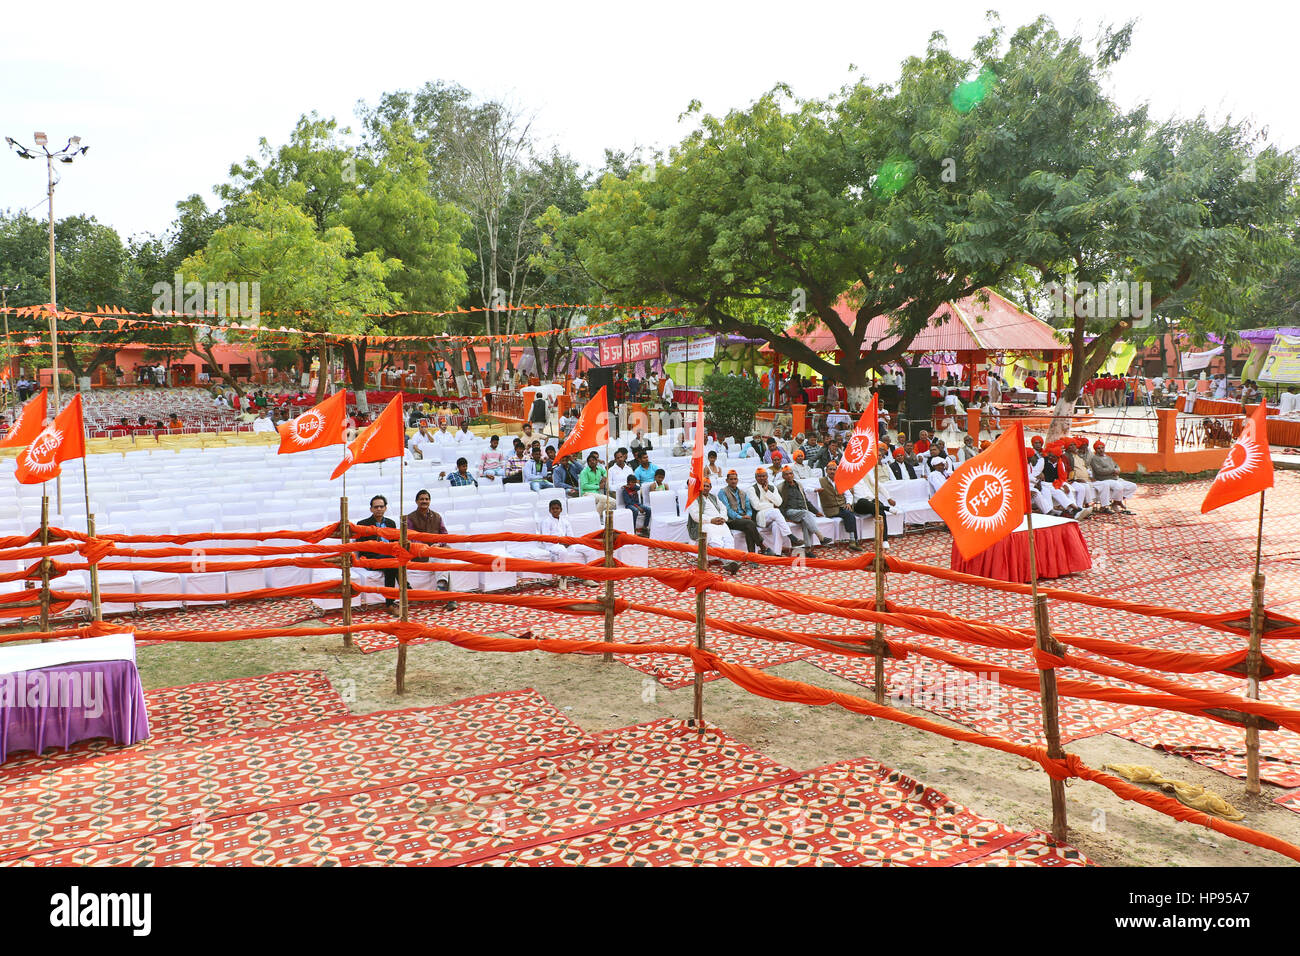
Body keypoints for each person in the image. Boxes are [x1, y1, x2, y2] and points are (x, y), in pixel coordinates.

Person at [405, 489, 456, 611]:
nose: (424, 501)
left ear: (430, 501)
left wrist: (438, 544)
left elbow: (444, 535)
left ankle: (442, 585)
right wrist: (426, 547)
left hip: (436, 551)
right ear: (416, 501)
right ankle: (450, 597)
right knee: (442, 558)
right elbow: (410, 538)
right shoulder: (410, 518)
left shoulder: (437, 516)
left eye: (426, 499)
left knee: (443, 555)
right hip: (419, 554)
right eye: (421, 499)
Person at [538, 499, 598, 590]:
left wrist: (567, 542)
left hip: (568, 544)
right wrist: (561, 543)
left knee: (591, 550)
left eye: (557, 508)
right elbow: (546, 539)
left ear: (561, 510)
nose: (555, 510)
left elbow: (571, 536)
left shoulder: (565, 521)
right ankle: (563, 578)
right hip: (553, 545)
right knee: (563, 552)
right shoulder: (546, 521)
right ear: (549, 510)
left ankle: (588, 577)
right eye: (553, 508)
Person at [356, 495, 401, 617]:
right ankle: (392, 602)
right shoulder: (362, 524)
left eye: (381, 506)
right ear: (371, 509)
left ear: (386, 508)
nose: (379, 509)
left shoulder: (391, 523)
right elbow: (361, 547)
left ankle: (392, 602)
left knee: (392, 563)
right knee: (392, 563)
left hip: (390, 557)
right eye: (376, 507)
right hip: (370, 558)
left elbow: (395, 543)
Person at [688, 478, 740, 574]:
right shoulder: (694, 499)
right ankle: (727, 562)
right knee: (716, 542)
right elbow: (695, 516)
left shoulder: (713, 497)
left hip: (719, 522)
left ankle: (730, 560)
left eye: (707, 486)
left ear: (711, 488)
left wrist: (722, 518)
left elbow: (723, 509)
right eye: (703, 486)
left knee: (728, 539)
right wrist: (711, 520)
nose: (705, 488)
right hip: (705, 524)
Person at [778, 465, 833, 556]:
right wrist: (785, 517)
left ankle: (808, 550)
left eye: (791, 474)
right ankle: (820, 537)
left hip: (802, 512)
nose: (789, 476)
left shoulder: (799, 485)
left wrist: (816, 512)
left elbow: (806, 501)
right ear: (783, 476)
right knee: (806, 514)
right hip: (790, 512)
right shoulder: (780, 487)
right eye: (786, 474)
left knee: (806, 521)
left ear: (793, 474)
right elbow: (779, 504)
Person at [818, 461, 864, 552]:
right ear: (826, 471)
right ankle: (853, 541)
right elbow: (807, 489)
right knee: (849, 514)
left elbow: (848, 495)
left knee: (850, 513)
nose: (832, 471)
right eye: (830, 469)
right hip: (830, 509)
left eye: (834, 470)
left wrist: (848, 503)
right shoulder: (820, 481)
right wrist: (815, 490)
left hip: (842, 506)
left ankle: (853, 541)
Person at [718, 469, 767, 554]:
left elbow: (748, 508)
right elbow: (727, 509)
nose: (733, 481)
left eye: (735, 479)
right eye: (731, 479)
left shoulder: (742, 493)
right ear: (727, 480)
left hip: (744, 519)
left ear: (737, 480)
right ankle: (761, 545)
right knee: (750, 523)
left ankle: (752, 556)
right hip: (731, 520)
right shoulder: (722, 492)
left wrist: (748, 515)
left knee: (748, 528)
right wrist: (741, 517)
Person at [1085, 440, 1137, 514]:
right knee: (1119, 487)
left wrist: (1118, 470)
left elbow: (1116, 465)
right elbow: (1099, 471)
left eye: (1102, 448)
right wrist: (1113, 470)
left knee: (1132, 486)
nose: (1101, 450)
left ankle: (1116, 502)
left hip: (1115, 478)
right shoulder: (1094, 459)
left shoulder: (1108, 457)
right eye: (1098, 448)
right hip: (1104, 479)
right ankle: (1117, 502)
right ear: (1095, 450)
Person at [749, 467, 795, 549]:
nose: (762, 478)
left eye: (763, 476)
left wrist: (767, 491)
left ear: (767, 476)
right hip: (761, 516)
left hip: (774, 517)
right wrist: (772, 505)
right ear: (756, 478)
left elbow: (779, 502)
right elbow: (756, 506)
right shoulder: (752, 489)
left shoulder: (771, 487)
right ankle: (790, 535)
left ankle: (777, 552)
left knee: (776, 525)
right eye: (759, 476)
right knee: (776, 511)